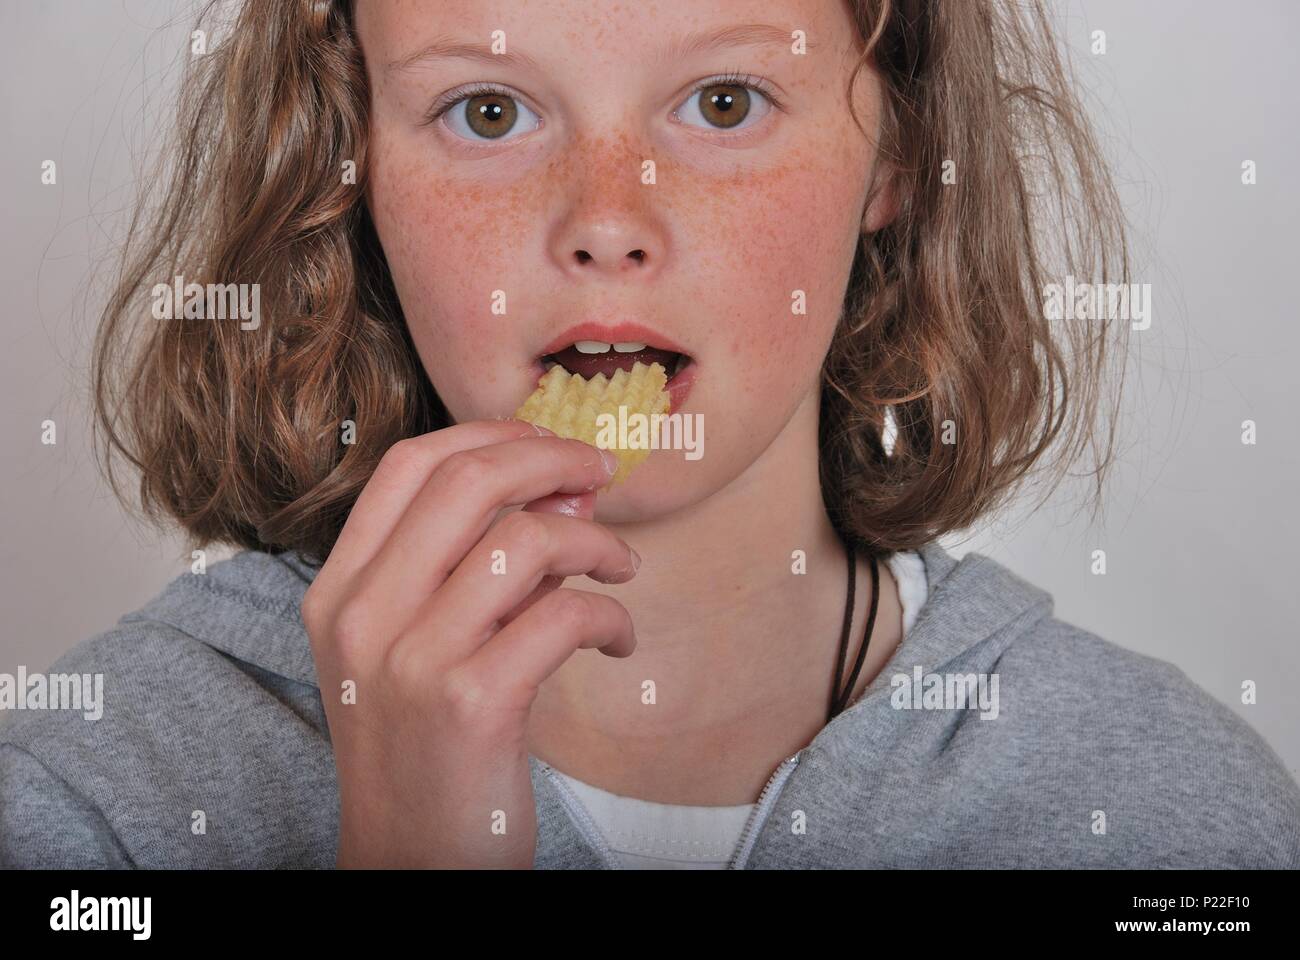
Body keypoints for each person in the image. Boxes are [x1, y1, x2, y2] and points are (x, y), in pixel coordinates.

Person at [2, 0, 1296, 869]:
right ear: (351, 164)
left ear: (899, 147)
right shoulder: (89, 810)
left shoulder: (1184, 822)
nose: (608, 220)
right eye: (492, 112)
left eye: (723, 103)